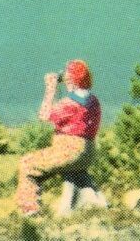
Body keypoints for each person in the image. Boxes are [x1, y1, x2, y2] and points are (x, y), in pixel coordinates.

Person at [15, 58, 101, 216]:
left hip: (70, 151)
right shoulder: (93, 100)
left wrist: (51, 88)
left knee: (27, 164)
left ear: (72, 80)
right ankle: (93, 205)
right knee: (65, 172)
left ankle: (29, 209)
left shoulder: (70, 103)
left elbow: (44, 115)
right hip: (88, 153)